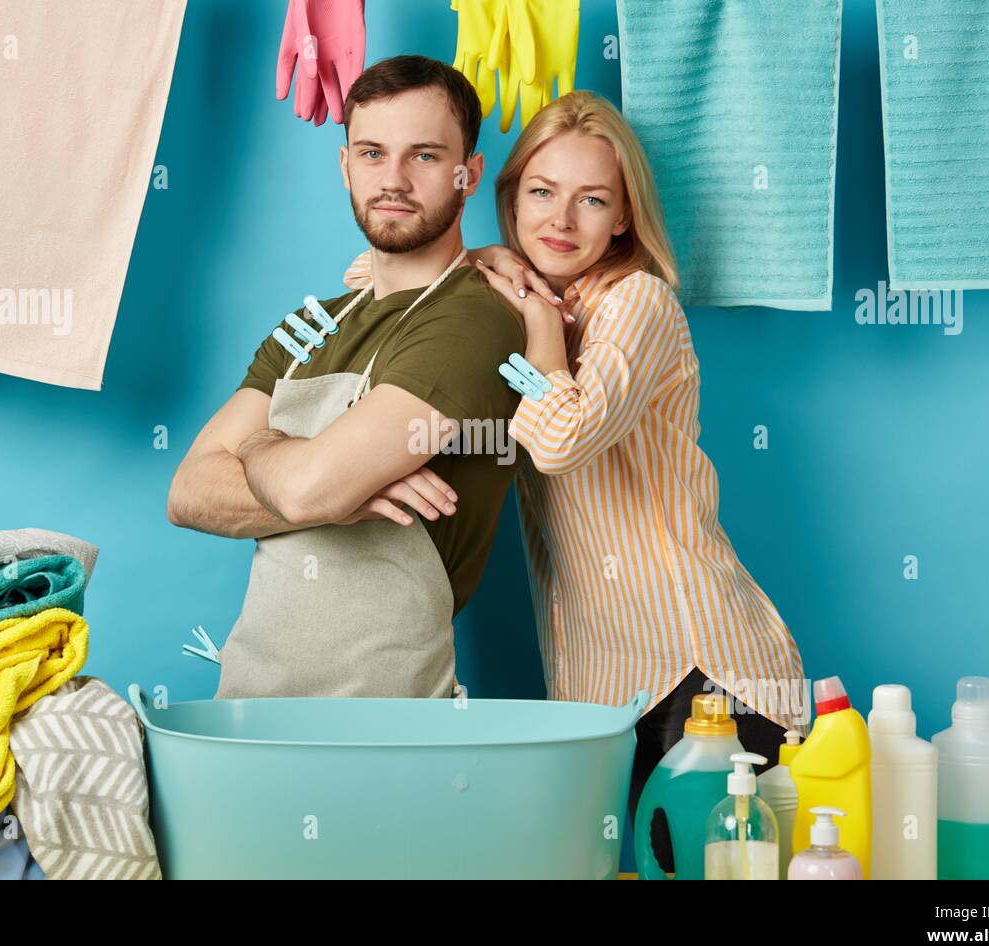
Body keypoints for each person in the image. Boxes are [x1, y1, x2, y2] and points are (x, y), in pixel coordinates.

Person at [345, 90, 806, 871]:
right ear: (508, 195)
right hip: (602, 690)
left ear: (623, 217)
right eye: (541, 192)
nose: (561, 219)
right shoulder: (522, 293)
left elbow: (558, 438)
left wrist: (535, 333)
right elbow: (376, 275)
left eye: (592, 199)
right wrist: (474, 266)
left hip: (707, 681)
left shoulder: (638, 302)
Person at [167, 55, 525, 701]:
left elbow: (306, 492)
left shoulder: (474, 321)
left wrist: (259, 450)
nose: (392, 180)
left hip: (385, 727)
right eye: (370, 153)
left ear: (467, 174)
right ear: (345, 166)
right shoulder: (311, 326)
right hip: (247, 709)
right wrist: (330, 489)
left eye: (422, 156)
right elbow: (189, 492)